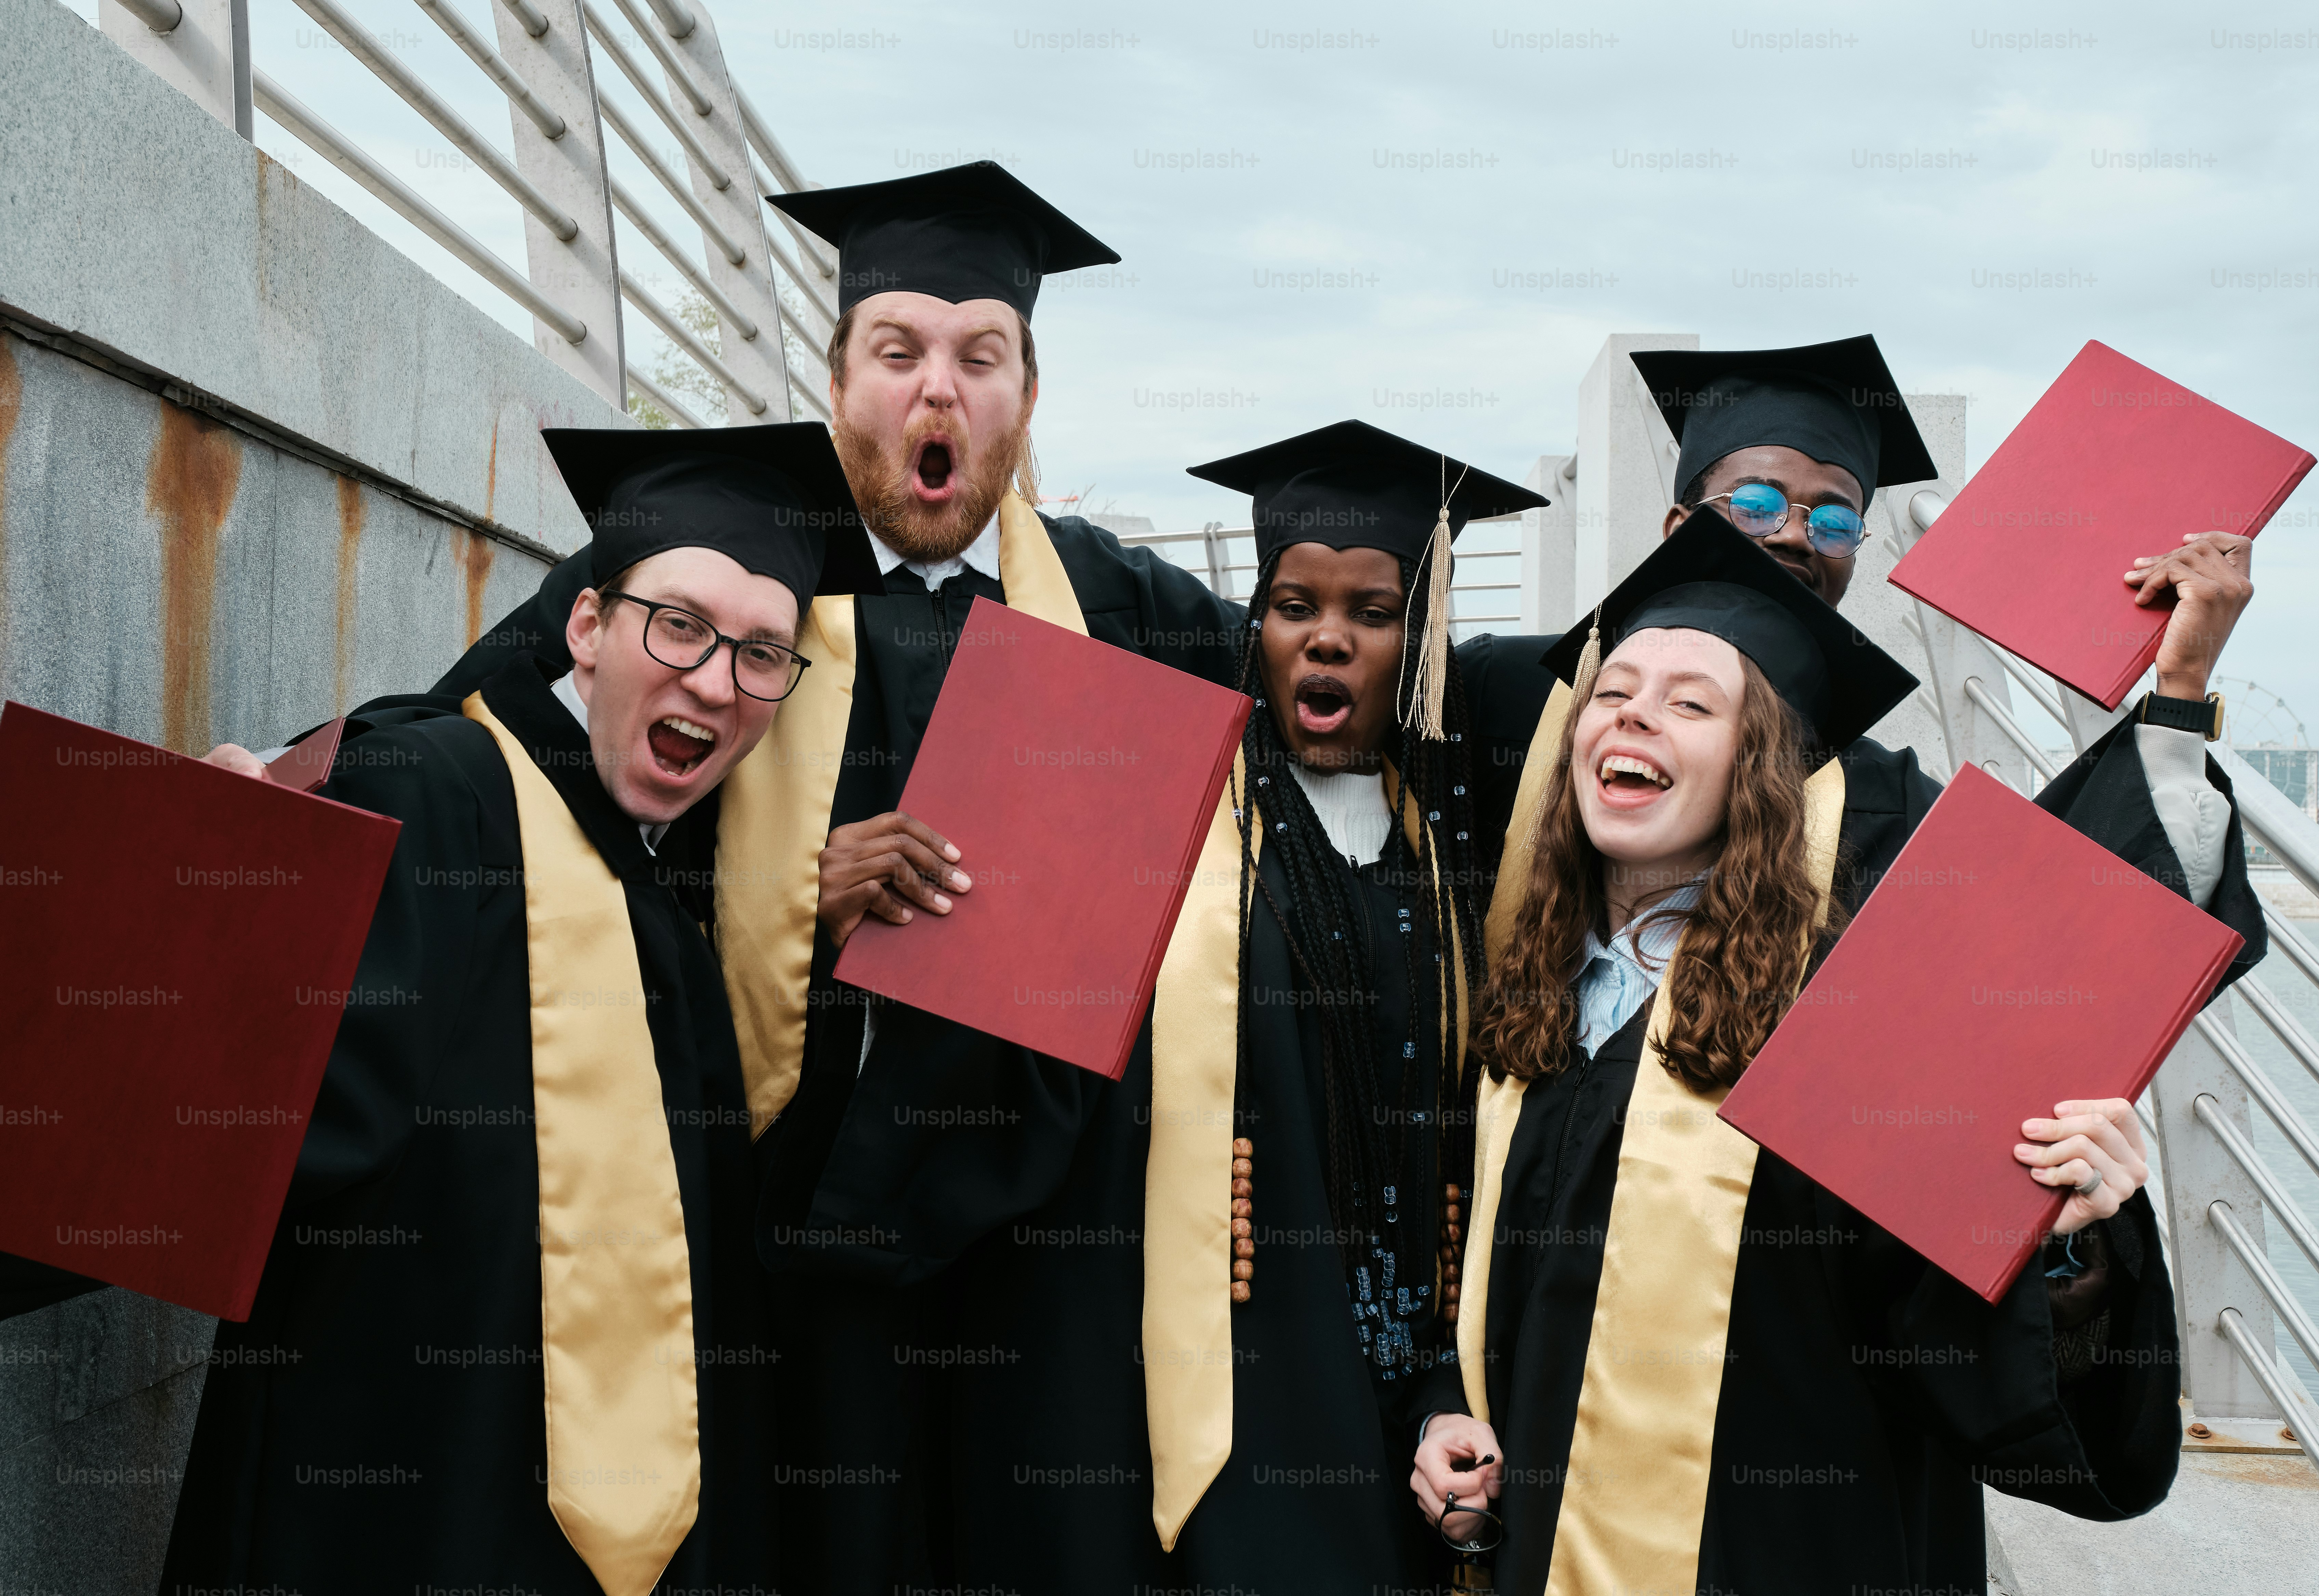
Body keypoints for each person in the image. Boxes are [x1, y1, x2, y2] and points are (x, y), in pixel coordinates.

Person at [374, 161, 1240, 1592]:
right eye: (896, 354)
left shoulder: (1127, 613)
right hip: (781, 1225)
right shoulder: (725, 567)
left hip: (1048, 1242)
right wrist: (790, 901)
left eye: (981, 358)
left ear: (1029, 393)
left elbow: (1338, 773)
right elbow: (497, 766)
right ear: (837, 380)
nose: (937, 395)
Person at [784, 421, 1546, 1592]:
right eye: (1293, 603)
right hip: (1171, 1359)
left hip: (1392, 1369)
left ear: (1421, 635)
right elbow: (998, 1051)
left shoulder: (1455, 848)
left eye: (1373, 610)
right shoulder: (1155, 804)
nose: (1327, 635)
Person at [1408, 511, 2231, 1594]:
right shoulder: (1527, 998)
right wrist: (1444, 1418)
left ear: (1761, 768)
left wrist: (2066, 1242)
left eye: (1691, 703)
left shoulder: (1859, 1015)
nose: (1636, 713)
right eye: (1614, 691)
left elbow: (1951, 1332)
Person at [156, 423, 873, 1594]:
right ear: (587, 626)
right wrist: (212, 912)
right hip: (403, 1502)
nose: (714, 679)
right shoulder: (428, 789)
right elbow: (238, 1132)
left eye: (762, 654)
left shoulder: (669, 920)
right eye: (680, 624)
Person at [1457, 334, 2266, 964]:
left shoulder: (1882, 805)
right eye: (1753, 504)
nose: (1793, 538)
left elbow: (2079, 937)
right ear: (1678, 528)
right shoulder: (1514, 701)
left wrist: (2180, 679)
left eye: (1834, 520)